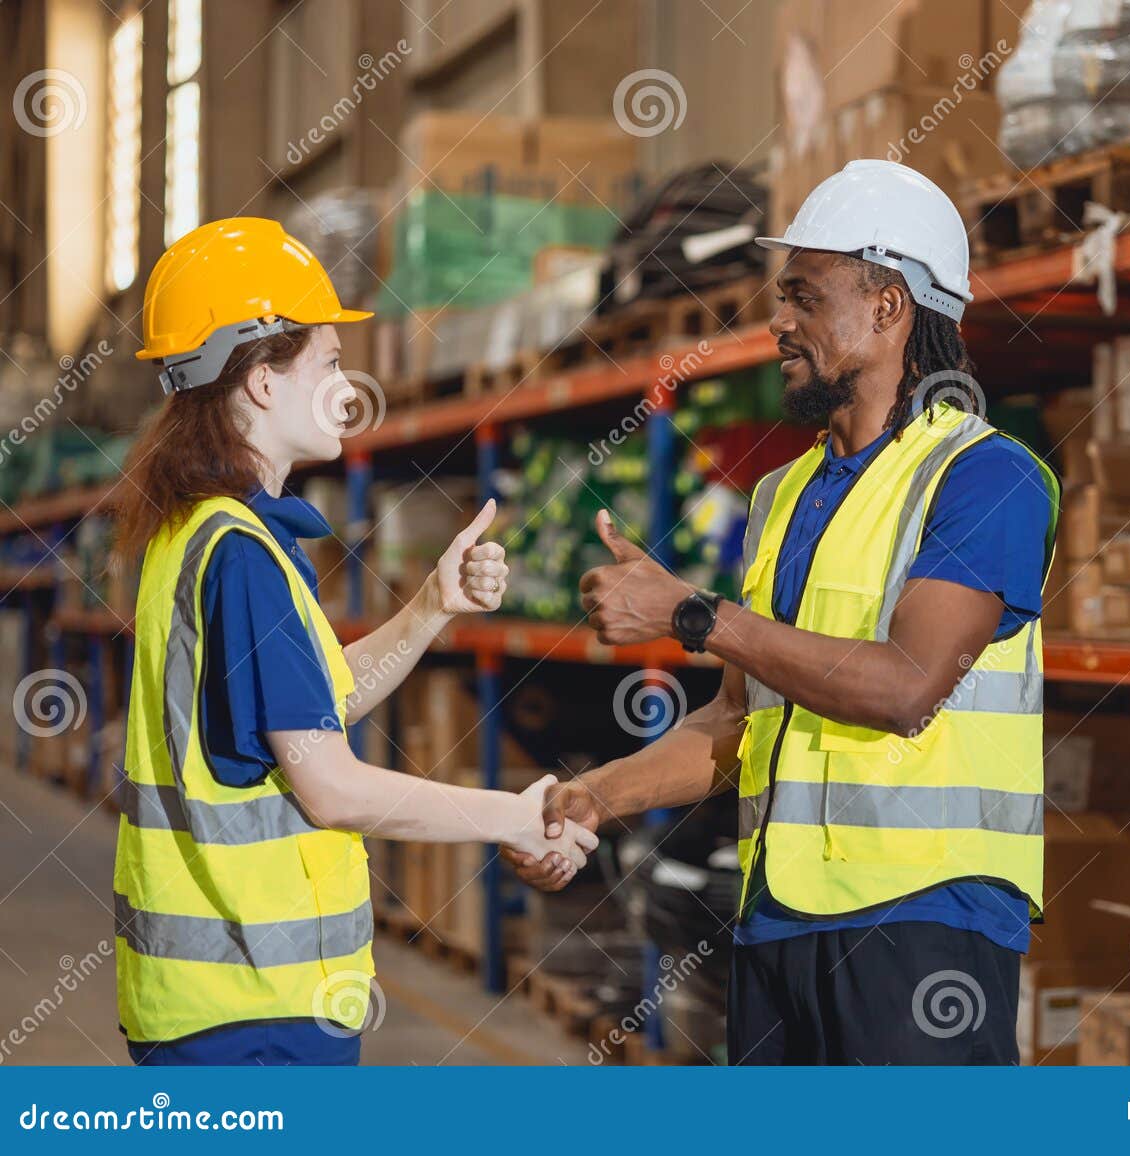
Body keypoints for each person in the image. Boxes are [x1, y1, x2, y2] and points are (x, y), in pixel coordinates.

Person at [510, 160, 1060, 1064]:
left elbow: (906, 688)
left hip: (922, 930)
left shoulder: (985, 478)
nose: (779, 322)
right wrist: (595, 797)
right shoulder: (782, 495)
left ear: (889, 308)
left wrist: (694, 612)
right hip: (776, 920)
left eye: (805, 298)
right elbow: (738, 721)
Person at [110, 218, 596, 1066]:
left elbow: (311, 708)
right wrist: (514, 816)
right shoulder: (241, 557)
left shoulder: (205, 536)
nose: (346, 385)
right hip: (252, 1016)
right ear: (263, 381)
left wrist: (430, 608)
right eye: (330, 364)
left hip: (218, 1005)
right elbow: (330, 786)